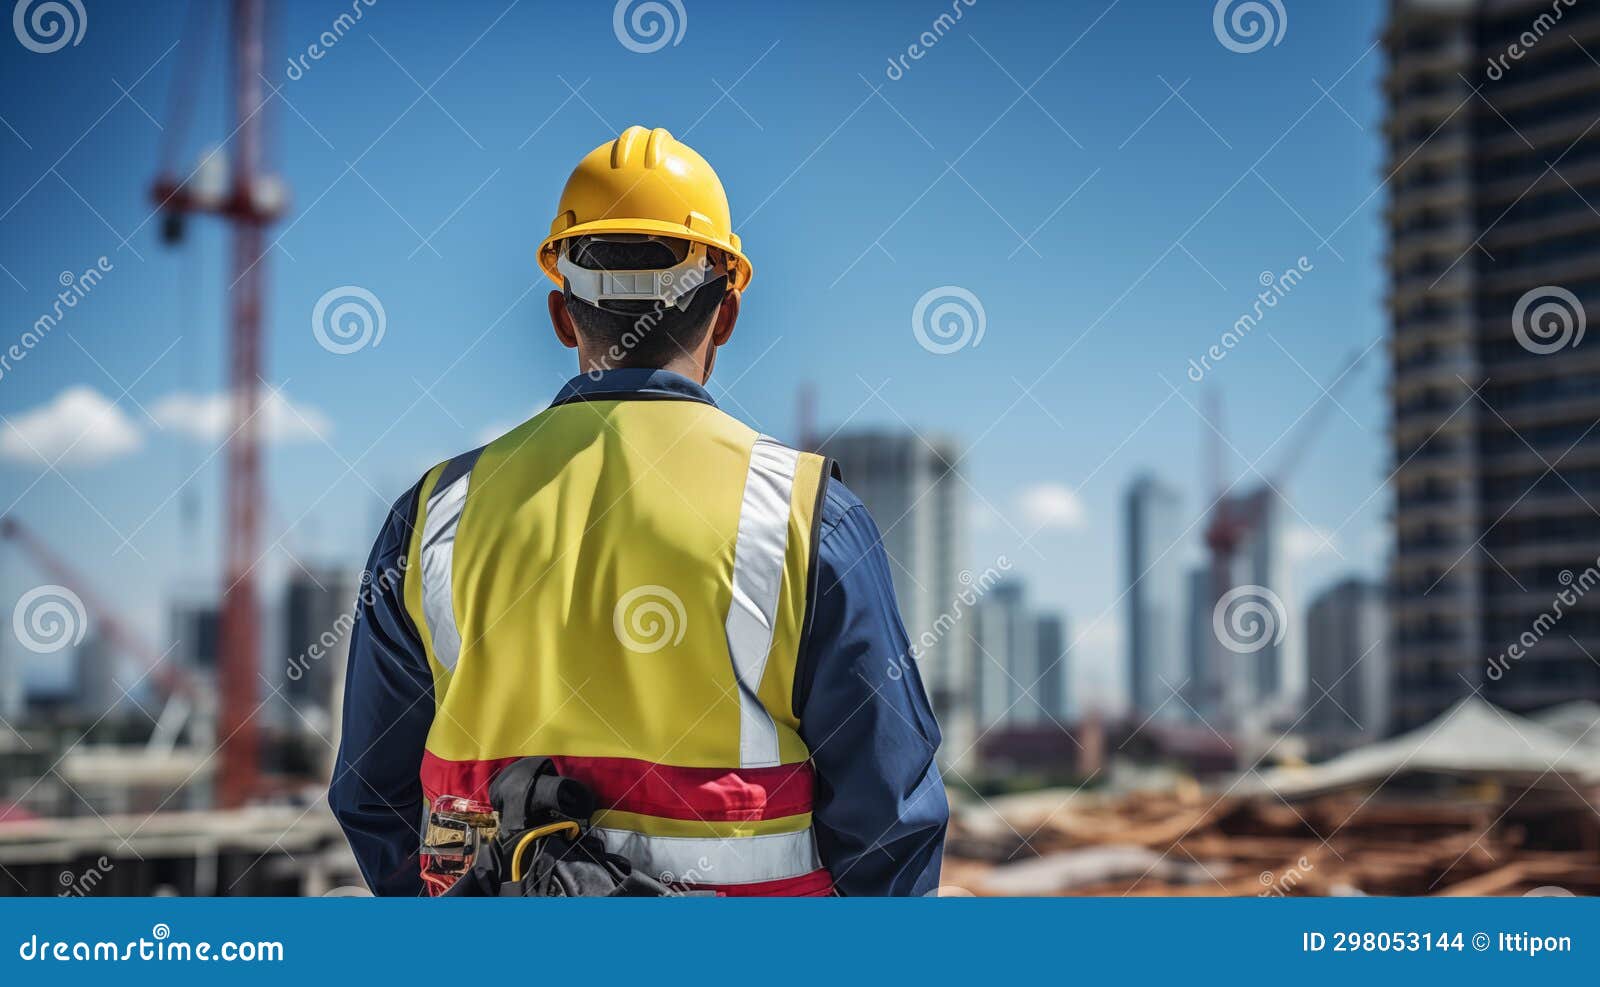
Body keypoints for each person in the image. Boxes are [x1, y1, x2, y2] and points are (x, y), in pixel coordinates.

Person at [330, 126, 947, 896]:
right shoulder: (805, 517)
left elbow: (370, 793)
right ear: (724, 317)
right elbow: (890, 822)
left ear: (562, 317)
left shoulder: (433, 517)